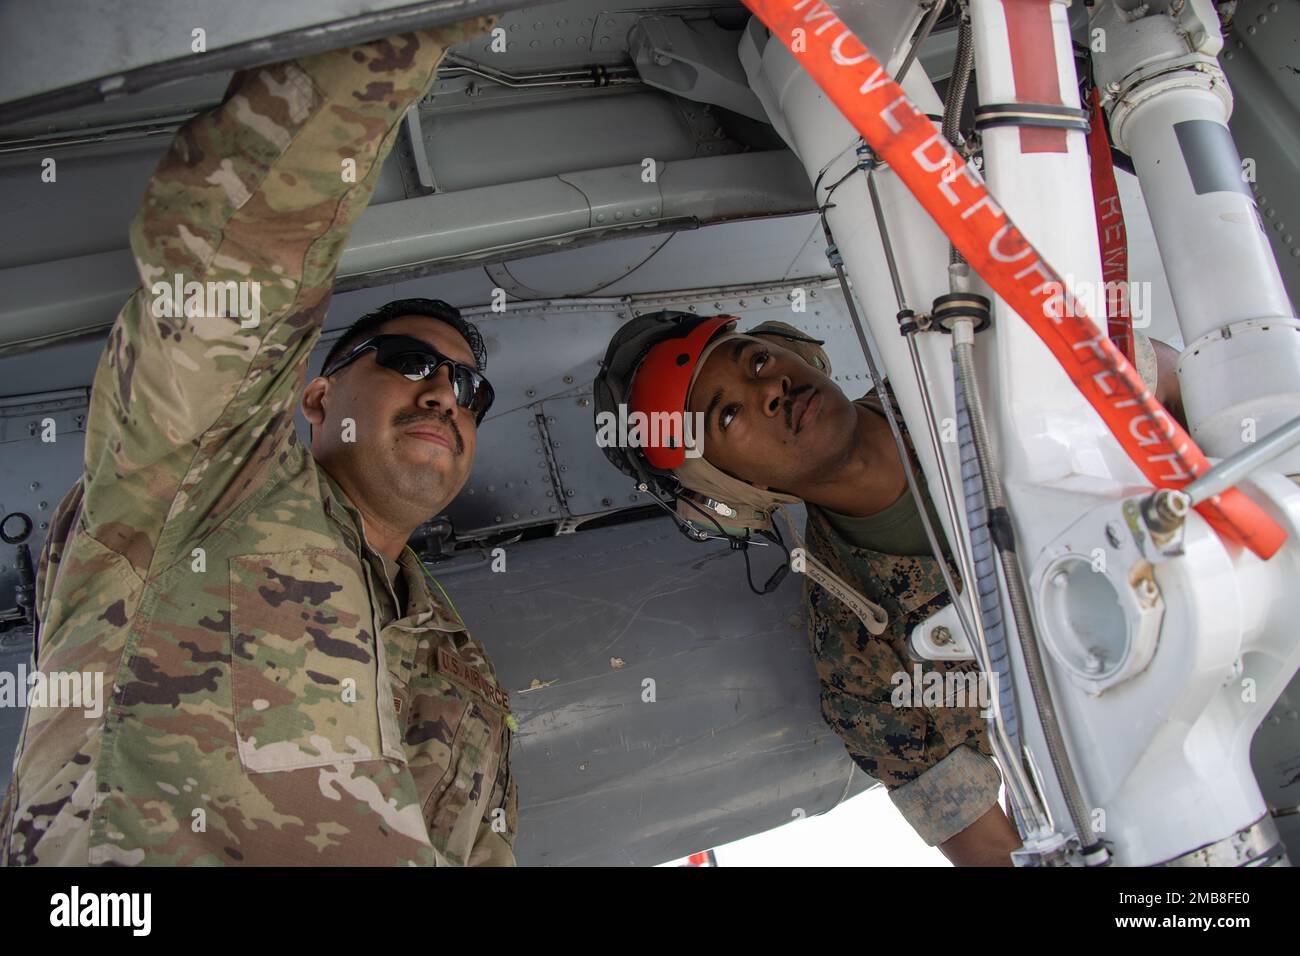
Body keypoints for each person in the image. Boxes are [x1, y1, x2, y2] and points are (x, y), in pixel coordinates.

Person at [1, 21, 517, 866]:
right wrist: (412, 22)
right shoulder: (209, 480)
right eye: (409, 360)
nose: (442, 393)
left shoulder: (464, 674)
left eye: (469, 389)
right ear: (318, 394)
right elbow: (233, 260)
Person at [593, 311, 1180, 865]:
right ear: (734, 494)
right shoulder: (860, 663)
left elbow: (1193, 390)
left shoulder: (974, 371)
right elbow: (992, 850)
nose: (770, 389)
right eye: (728, 416)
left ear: (796, 351)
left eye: (757, 361)